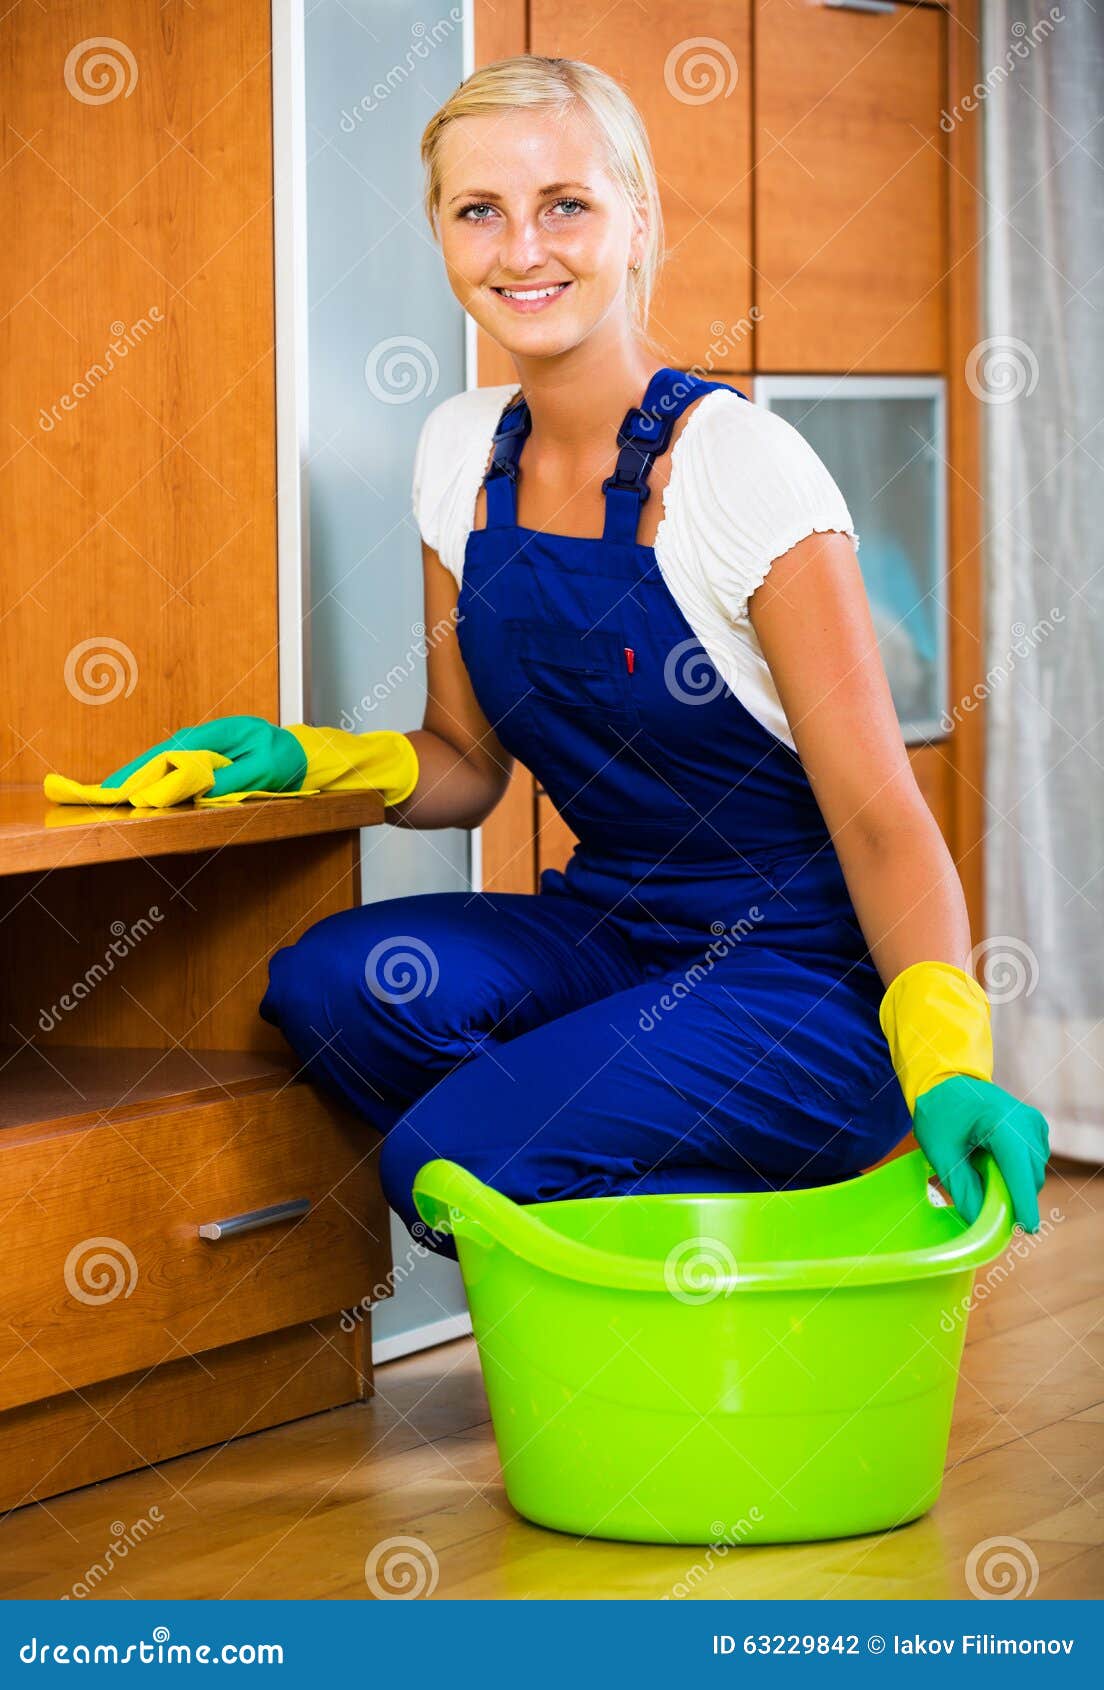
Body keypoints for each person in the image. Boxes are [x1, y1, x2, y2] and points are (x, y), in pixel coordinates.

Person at [65, 57, 1049, 1257]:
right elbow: (465, 764)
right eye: (480, 210)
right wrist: (297, 758)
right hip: (615, 935)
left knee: (449, 1160)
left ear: (637, 219)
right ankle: (649, 1205)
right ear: (442, 233)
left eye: (565, 204)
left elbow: (886, 823)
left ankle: (754, 1221)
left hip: (803, 988)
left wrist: (945, 1058)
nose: (522, 248)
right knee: (331, 986)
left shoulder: (744, 470)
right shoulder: (457, 457)